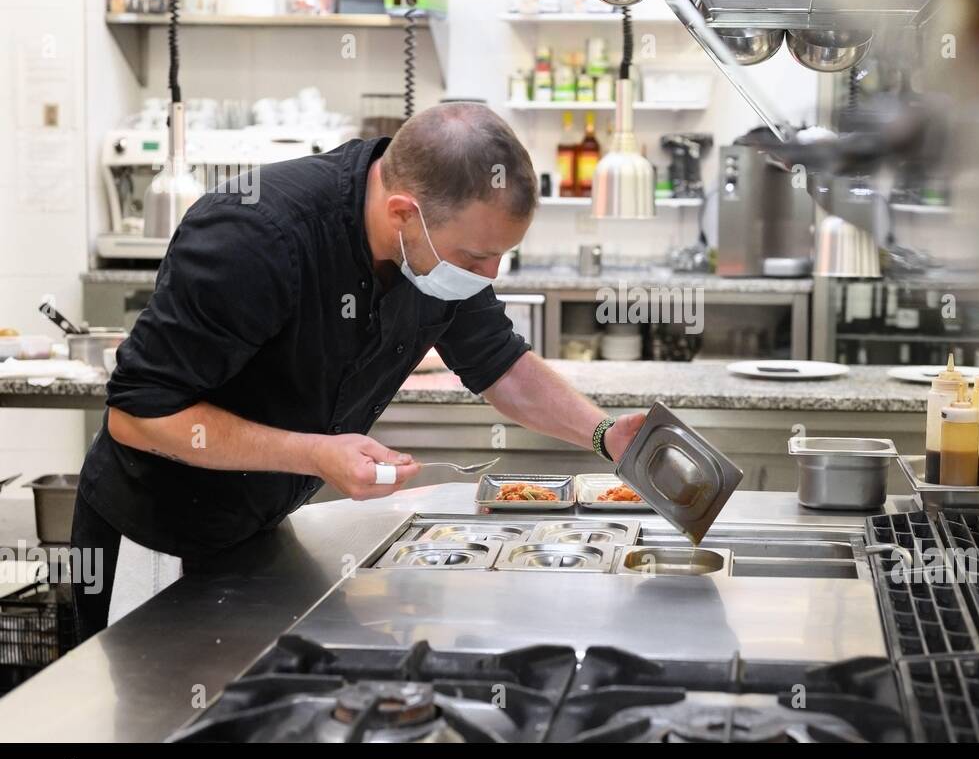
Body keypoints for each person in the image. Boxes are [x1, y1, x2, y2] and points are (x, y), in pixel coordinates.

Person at [71, 102, 645, 640]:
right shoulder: (255, 236)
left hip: (258, 526)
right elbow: (138, 414)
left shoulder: (434, 245)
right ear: (402, 213)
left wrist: (605, 435)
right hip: (154, 538)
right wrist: (313, 454)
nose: (489, 273)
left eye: (501, 256)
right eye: (476, 257)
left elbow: (502, 365)